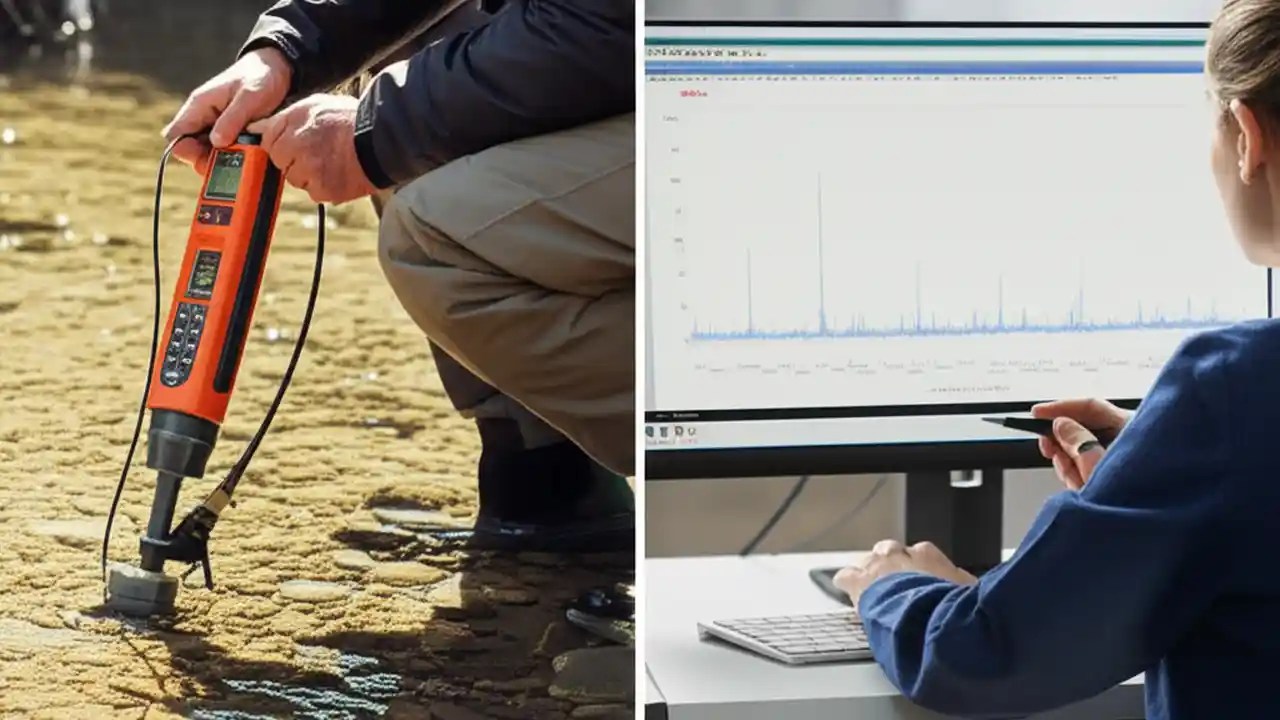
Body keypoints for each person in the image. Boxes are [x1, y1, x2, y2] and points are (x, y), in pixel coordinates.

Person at [834, 1, 1280, 717]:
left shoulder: (1237, 386)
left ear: (1247, 136)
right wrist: (1158, 469)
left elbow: (983, 658)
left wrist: (890, 585)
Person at [163, 0, 635, 552]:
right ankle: (549, 479)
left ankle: (731, 447)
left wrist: (374, 130)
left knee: (435, 233)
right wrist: (286, 49)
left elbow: (608, 23)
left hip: (724, 92)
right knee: (413, 45)